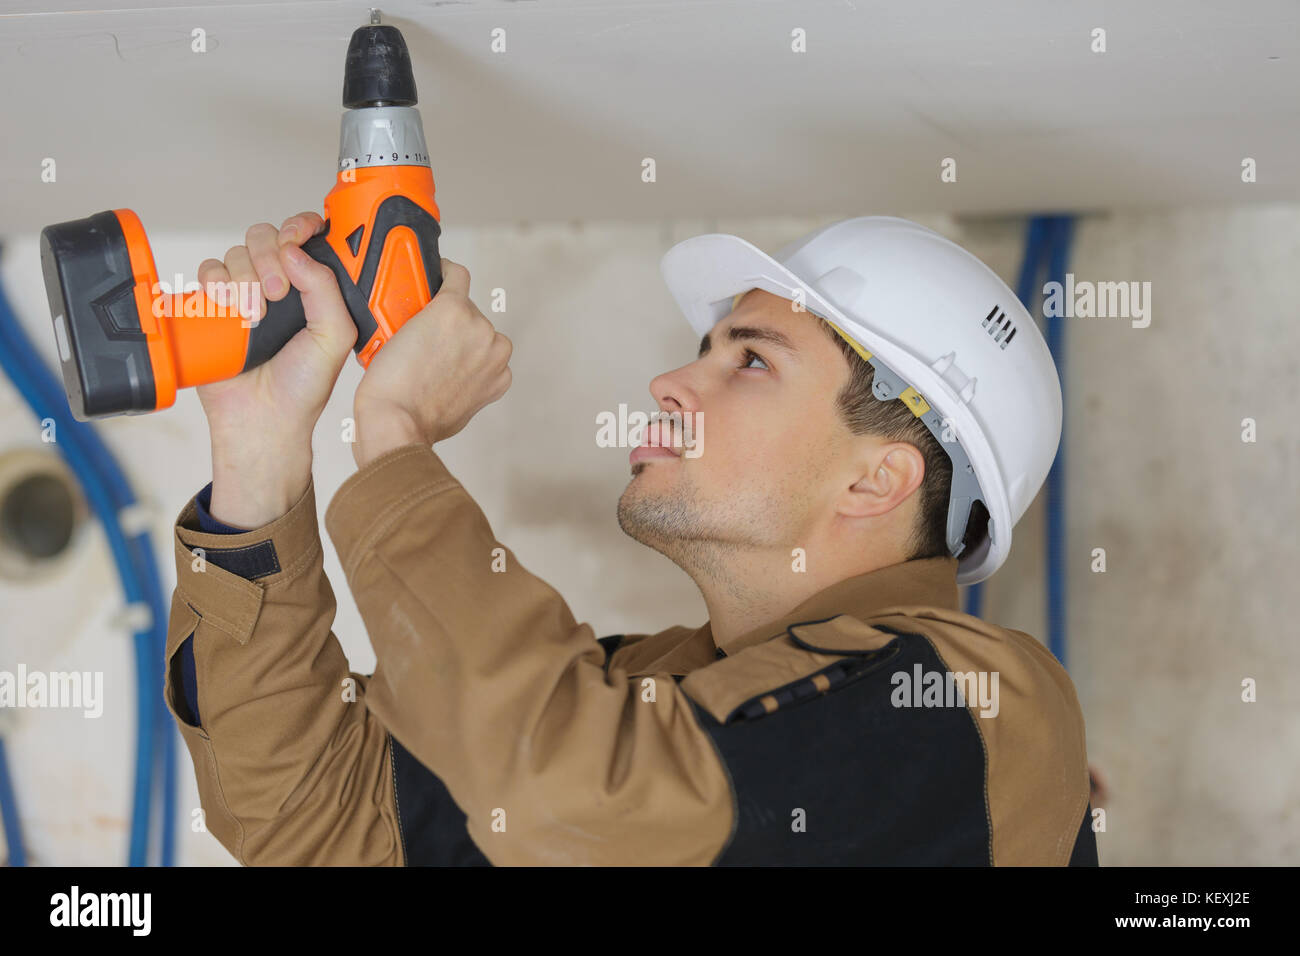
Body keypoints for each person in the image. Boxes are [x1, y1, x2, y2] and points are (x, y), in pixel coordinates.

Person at [165, 213, 1097, 866]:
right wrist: (260, 458)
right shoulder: (649, 697)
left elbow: (577, 804)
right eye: (708, 349)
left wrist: (398, 436)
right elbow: (311, 817)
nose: (669, 382)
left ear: (877, 478)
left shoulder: (973, 697)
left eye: (751, 358)